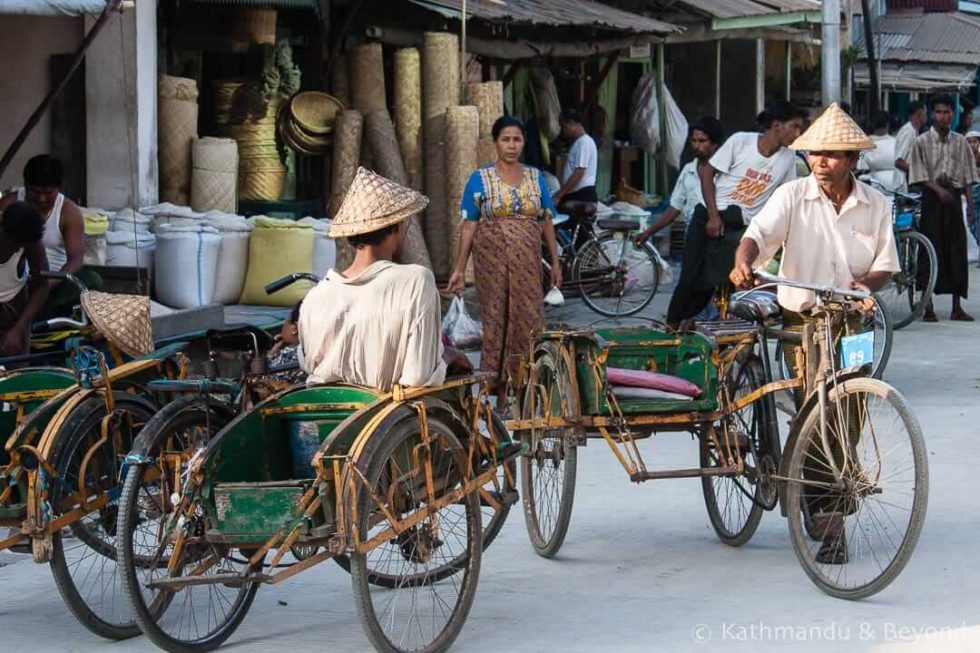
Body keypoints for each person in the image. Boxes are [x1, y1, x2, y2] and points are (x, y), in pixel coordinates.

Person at [729, 102, 900, 565]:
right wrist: (744, 260)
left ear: (852, 160)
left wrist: (866, 285)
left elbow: (885, 264)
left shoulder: (877, 204)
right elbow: (757, 235)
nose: (822, 162)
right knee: (816, 411)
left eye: (833, 155)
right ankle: (827, 515)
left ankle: (828, 504)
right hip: (803, 322)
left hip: (853, 321)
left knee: (849, 415)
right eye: (815, 154)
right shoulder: (791, 197)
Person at [298, 167, 471, 390]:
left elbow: (308, 363)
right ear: (395, 229)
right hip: (389, 413)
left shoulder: (316, 296)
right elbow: (417, 376)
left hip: (323, 406)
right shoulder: (415, 281)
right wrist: (447, 356)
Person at [447, 116, 561, 405]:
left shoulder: (536, 178)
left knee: (528, 320)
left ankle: (525, 389)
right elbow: (469, 225)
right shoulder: (479, 179)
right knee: (497, 318)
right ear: (496, 142)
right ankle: (497, 391)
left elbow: (546, 220)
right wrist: (460, 269)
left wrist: (556, 262)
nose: (512, 145)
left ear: (523, 142)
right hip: (491, 262)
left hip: (527, 262)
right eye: (505, 139)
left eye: (517, 139)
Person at [666, 99, 805, 328]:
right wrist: (713, 216)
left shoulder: (788, 157)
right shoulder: (741, 141)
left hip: (740, 226)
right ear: (777, 125)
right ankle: (670, 327)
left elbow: (785, 196)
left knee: (721, 283)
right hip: (709, 215)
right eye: (795, 126)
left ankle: (698, 329)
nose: (798, 133)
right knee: (690, 278)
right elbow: (706, 173)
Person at [908, 94, 979, 321]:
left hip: (955, 200)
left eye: (946, 112)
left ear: (952, 114)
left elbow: (969, 176)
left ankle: (956, 306)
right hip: (932, 200)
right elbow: (918, 174)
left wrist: (969, 205)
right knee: (930, 251)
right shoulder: (921, 142)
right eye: (938, 112)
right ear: (931, 114)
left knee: (956, 250)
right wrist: (938, 190)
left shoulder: (961, 142)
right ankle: (927, 305)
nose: (942, 116)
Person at [0, 155, 98, 320]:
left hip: (51, 282)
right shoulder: (10, 204)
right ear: (25, 186)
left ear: (59, 188)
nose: (41, 198)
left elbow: (75, 260)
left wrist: (48, 283)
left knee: (91, 280)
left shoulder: (69, 212)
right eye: (35, 192)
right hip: (13, 283)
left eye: (48, 193)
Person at [635, 116, 725, 245]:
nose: (696, 145)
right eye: (694, 141)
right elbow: (675, 208)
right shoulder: (689, 170)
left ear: (715, 143)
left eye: (702, 141)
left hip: (718, 237)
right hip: (693, 237)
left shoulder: (725, 172)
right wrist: (648, 232)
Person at [0, 202, 51, 355]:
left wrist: (19, 329)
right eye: (16, 244)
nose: (17, 249)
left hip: (14, 310)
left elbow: (42, 286)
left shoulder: (31, 244)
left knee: (18, 373)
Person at [552, 107, 598, 208]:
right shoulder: (579, 142)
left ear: (571, 123)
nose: (562, 131)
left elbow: (579, 172)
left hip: (581, 195)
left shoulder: (584, 143)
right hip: (575, 194)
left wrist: (559, 195)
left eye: (563, 127)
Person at [856, 111, 899, 191]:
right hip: (897, 187)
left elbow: (860, 166)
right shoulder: (896, 143)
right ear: (887, 125)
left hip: (875, 188)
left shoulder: (864, 146)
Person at [893, 100, 927, 192]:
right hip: (904, 186)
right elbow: (899, 162)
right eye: (925, 114)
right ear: (920, 114)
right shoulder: (908, 132)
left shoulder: (914, 132)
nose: (926, 117)